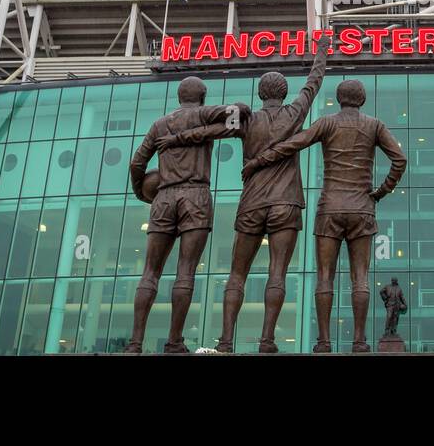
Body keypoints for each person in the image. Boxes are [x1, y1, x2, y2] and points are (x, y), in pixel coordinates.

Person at [242, 78, 406, 353]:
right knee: (361, 277)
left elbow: (292, 145)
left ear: (339, 99)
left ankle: (323, 342)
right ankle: (359, 341)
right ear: (362, 99)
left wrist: (258, 161)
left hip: (330, 207)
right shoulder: (374, 125)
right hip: (361, 208)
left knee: (325, 276)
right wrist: (380, 191)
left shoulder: (326, 122)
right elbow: (399, 159)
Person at [216, 31, 330, 353]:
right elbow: (313, 82)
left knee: (237, 274)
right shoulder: (294, 115)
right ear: (283, 93)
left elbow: (211, 128)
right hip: (285, 203)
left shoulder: (246, 120)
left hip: (251, 203)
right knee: (277, 271)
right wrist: (322, 50)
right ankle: (267, 339)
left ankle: (225, 341)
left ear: (260, 93)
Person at [124, 77, 250, 354]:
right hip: (196, 196)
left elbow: (137, 162)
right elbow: (241, 111)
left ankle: (135, 344)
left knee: (150, 273)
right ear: (202, 97)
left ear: (179, 97)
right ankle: (174, 341)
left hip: (164, 197)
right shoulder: (204, 113)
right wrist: (208, 129)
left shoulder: (159, 124)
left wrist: (141, 192)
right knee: (186, 271)